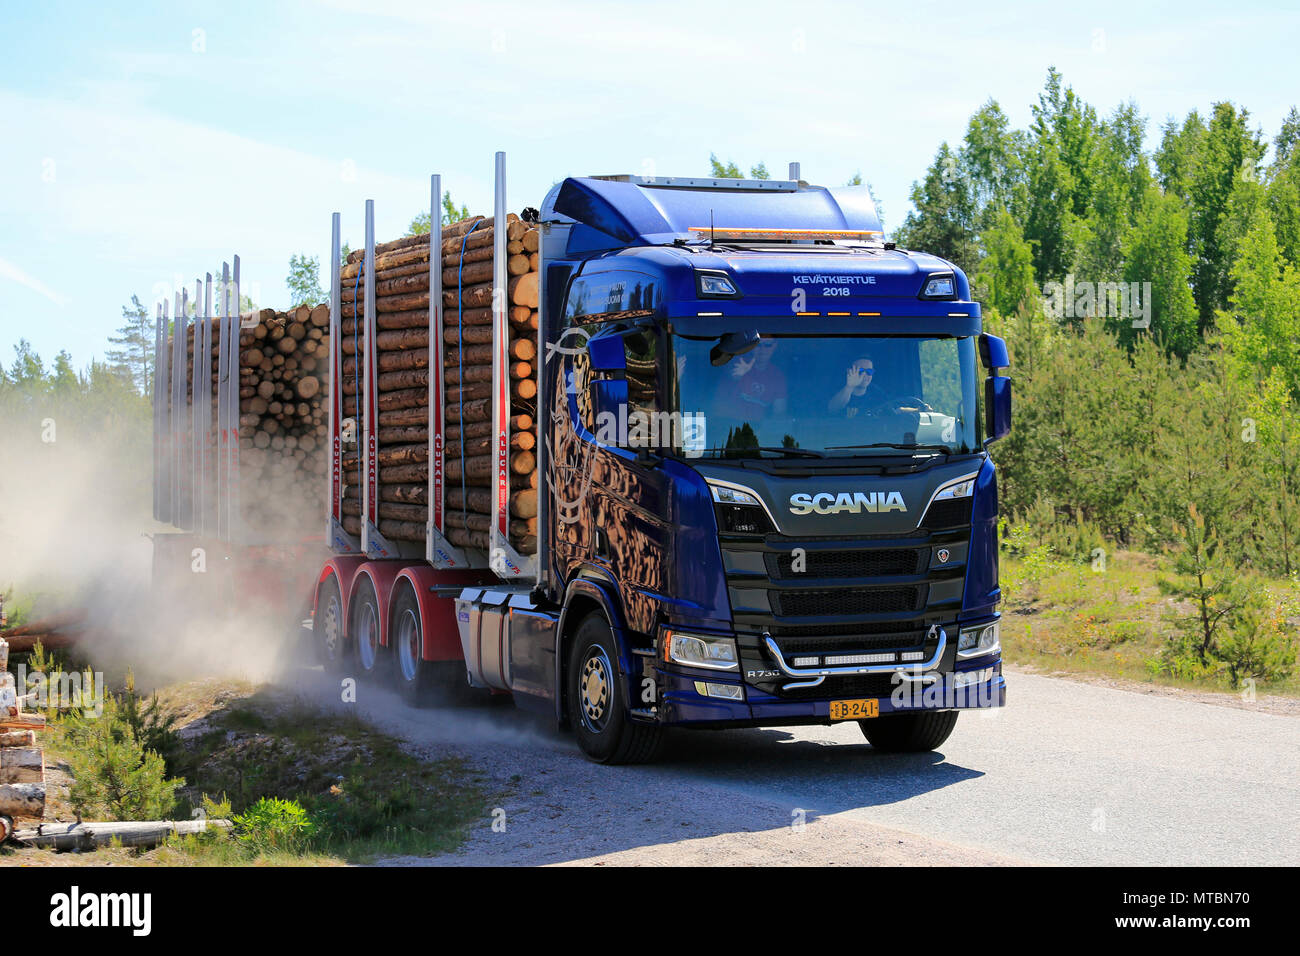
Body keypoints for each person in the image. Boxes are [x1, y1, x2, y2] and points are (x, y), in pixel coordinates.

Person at [722, 337, 788, 416]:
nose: (762, 349)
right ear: (751, 346)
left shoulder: (778, 376)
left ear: (775, 346)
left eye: (768, 345)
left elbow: (779, 413)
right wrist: (738, 377)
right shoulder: (737, 363)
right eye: (758, 344)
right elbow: (721, 399)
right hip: (731, 421)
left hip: (760, 423)